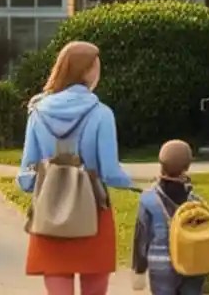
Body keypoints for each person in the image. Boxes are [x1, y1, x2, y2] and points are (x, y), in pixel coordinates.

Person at [17, 41, 134, 295]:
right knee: (94, 281)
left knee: (57, 278)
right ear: (87, 71)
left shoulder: (37, 112)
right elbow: (111, 172)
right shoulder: (102, 114)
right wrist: (133, 183)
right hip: (93, 209)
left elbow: (26, 177)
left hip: (49, 211)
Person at [130, 140, 208, 295]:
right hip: (192, 265)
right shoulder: (196, 202)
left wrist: (139, 269)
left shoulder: (149, 200)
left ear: (161, 164)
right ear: (187, 167)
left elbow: (141, 238)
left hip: (161, 266)